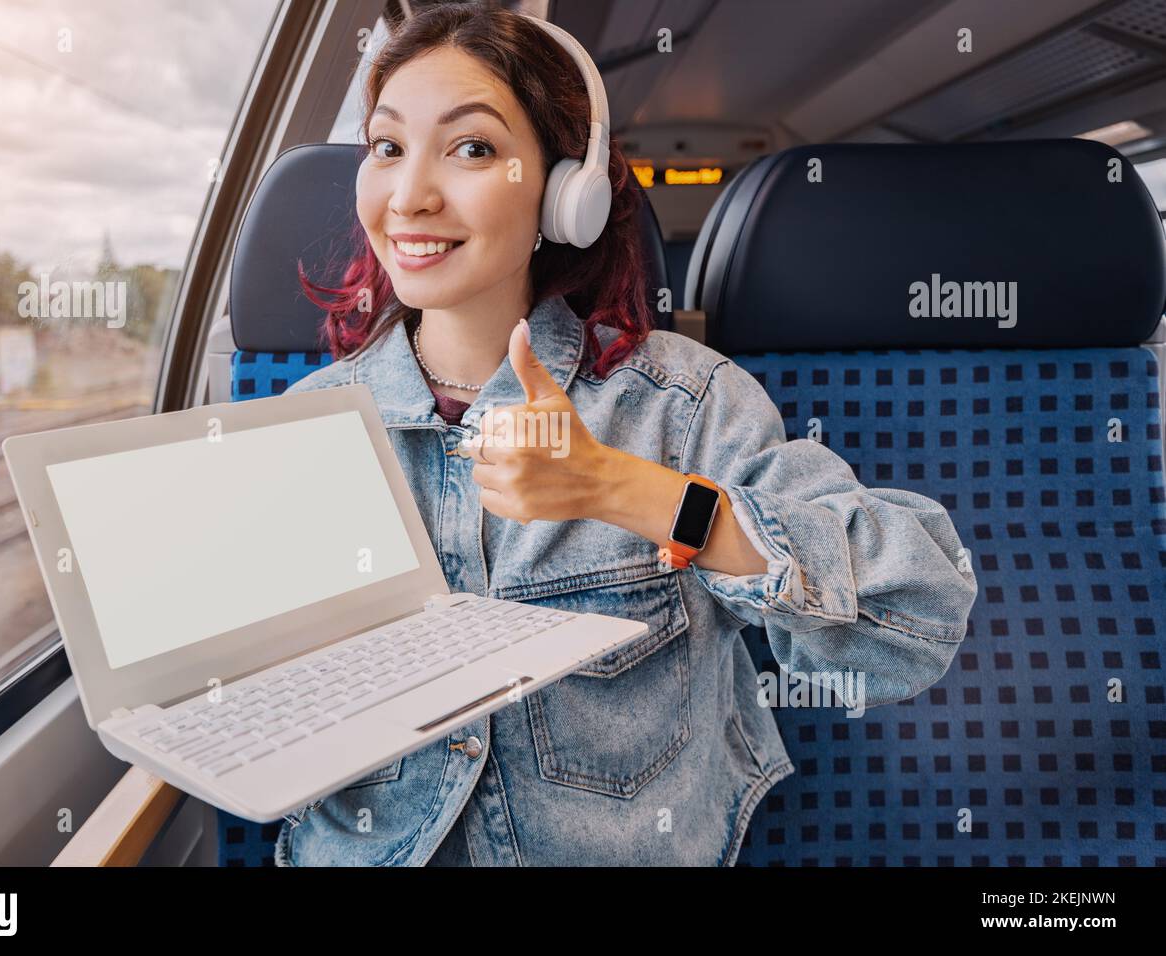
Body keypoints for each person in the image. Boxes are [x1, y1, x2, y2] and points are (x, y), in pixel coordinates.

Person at [277, 2, 977, 866]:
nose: (411, 195)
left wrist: (621, 489)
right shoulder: (301, 430)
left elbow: (919, 614)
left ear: (566, 189)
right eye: (388, 147)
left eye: (472, 148)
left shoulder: (682, 404)